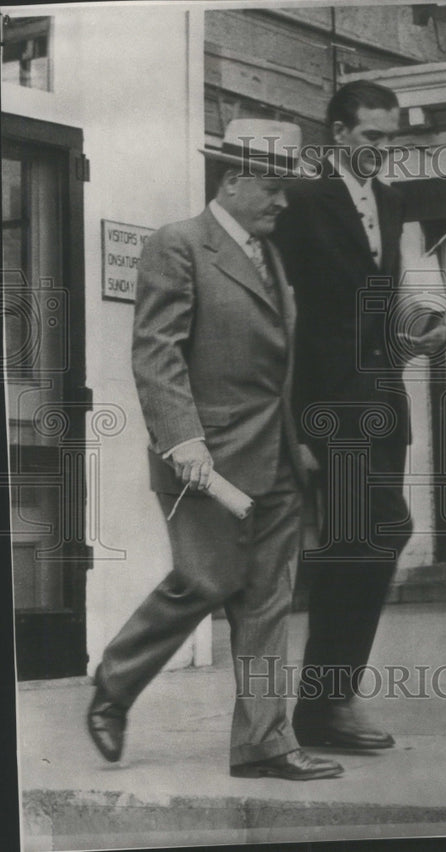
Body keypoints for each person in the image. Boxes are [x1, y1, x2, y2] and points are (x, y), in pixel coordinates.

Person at [86, 119, 343, 781]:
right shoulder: (180, 245)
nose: (283, 201)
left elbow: (279, 362)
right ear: (232, 180)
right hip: (206, 461)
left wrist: (301, 442)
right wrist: (184, 444)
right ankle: (114, 682)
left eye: (286, 187)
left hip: (278, 458)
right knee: (207, 581)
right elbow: (157, 353)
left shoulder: (271, 254)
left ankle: (264, 744)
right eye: (273, 185)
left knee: (266, 599)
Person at [275, 81, 446, 749]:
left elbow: (377, 304)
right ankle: (327, 705)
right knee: (376, 531)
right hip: (330, 410)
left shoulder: (393, 201)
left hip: (381, 403)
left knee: (360, 543)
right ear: (338, 133)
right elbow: (283, 310)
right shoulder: (299, 200)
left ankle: (326, 706)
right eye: (372, 137)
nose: (382, 150)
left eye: (390, 139)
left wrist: (417, 332)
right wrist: (293, 417)